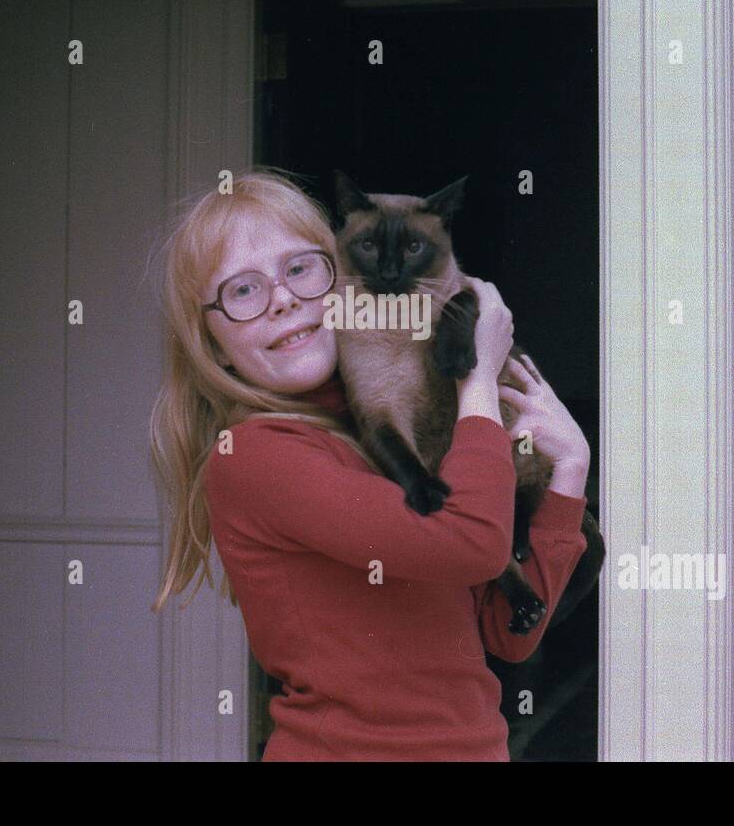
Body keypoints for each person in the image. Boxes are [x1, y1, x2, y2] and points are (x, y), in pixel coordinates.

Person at [149, 168, 590, 760]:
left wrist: (569, 474)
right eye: (243, 291)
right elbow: (472, 546)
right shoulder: (257, 456)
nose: (282, 298)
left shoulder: (373, 438)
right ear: (213, 349)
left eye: (300, 268)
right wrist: (478, 377)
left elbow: (508, 636)